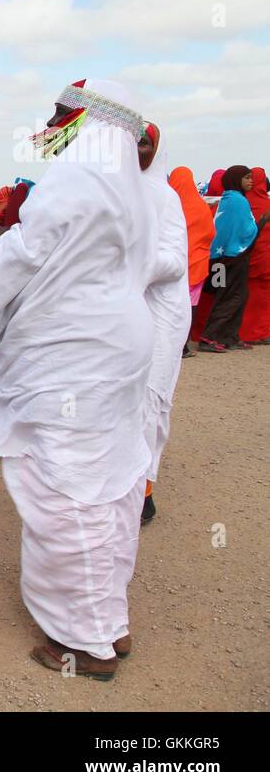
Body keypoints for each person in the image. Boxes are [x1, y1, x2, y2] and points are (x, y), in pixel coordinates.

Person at [0, 78, 160, 680]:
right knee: (113, 480)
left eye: (59, 113)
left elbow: (22, 257)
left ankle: (84, 643)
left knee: (64, 488)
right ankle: (110, 623)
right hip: (119, 345)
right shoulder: (134, 191)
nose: (49, 123)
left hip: (73, 353)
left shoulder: (76, 177)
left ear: (89, 121)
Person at [136, 123, 190, 526]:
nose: (137, 149)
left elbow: (172, 262)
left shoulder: (166, 197)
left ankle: (145, 488)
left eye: (145, 143)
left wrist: (129, 267)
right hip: (120, 309)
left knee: (149, 400)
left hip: (160, 312)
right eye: (132, 142)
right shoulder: (115, 192)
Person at [199, 166, 267, 352]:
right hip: (235, 257)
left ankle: (229, 337)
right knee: (232, 297)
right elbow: (246, 231)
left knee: (233, 295)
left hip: (221, 257)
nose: (250, 181)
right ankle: (210, 337)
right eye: (246, 178)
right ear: (236, 179)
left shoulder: (228, 199)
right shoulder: (238, 201)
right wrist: (262, 222)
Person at [167, 166, 215, 357]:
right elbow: (211, 233)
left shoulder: (170, 205)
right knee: (190, 306)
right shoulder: (202, 206)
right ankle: (184, 346)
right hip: (198, 264)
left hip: (174, 264)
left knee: (170, 305)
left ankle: (169, 344)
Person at [238, 167, 270, 344]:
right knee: (263, 298)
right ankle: (260, 332)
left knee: (245, 295)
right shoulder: (266, 204)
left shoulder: (243, 202)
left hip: (248, 257)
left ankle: (244, 331)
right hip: (265, 259)